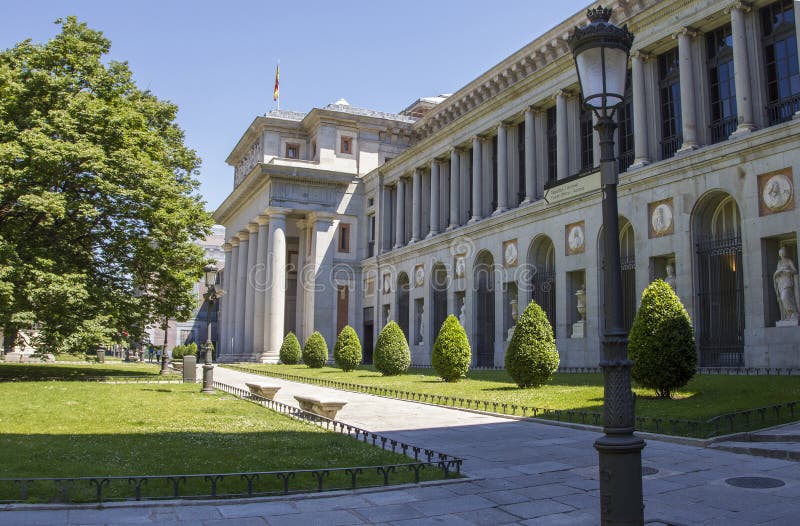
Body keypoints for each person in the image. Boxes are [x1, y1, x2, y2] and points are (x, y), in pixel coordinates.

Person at [774, 246, 799, 321]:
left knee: (785, 297)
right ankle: (789, 315)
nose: (782, 254)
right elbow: (776, 273)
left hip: (788, 281)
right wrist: (778, 272)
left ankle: (794, 313)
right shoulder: (779, 263)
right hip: (781, 283)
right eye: (781, 252)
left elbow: (795, 271)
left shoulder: (789, 261)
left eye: (783, 252)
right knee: (782, 299)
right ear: (779, 254)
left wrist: (788, 271)